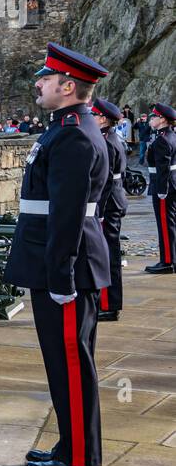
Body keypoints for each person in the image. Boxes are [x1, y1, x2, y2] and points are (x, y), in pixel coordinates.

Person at [4, 43, 109, 466]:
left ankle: (81, 460)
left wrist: (60, 274)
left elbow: (66, 215)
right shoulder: (64, 128)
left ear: (68, 86)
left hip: (64, 268)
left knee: (70, 361)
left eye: (46, 79)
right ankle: (70, 445)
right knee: (62, 362)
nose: (38, 84)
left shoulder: (73, 134)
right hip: (53, 263)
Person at [92, 99, 127, 320]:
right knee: (107, 252)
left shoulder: (107, 141)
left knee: (107, 255)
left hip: (108, 202)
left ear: (103, 119)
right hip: (114, 199)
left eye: (95, 116)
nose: (92, 119)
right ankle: (108, 302)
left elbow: (105, 181)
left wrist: (100, 211)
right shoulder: (111, 138)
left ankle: (108, 304)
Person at [144, 103, 176, 273]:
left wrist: (161, 191)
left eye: (154, 117)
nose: (151, 119)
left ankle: (167, 262)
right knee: (170, 224)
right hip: (171, 184)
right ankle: (172, 259)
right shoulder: (170, 136)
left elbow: (163, 168)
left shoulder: (163, 139)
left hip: (164, 186)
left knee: (165, 224)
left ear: (162, 119)